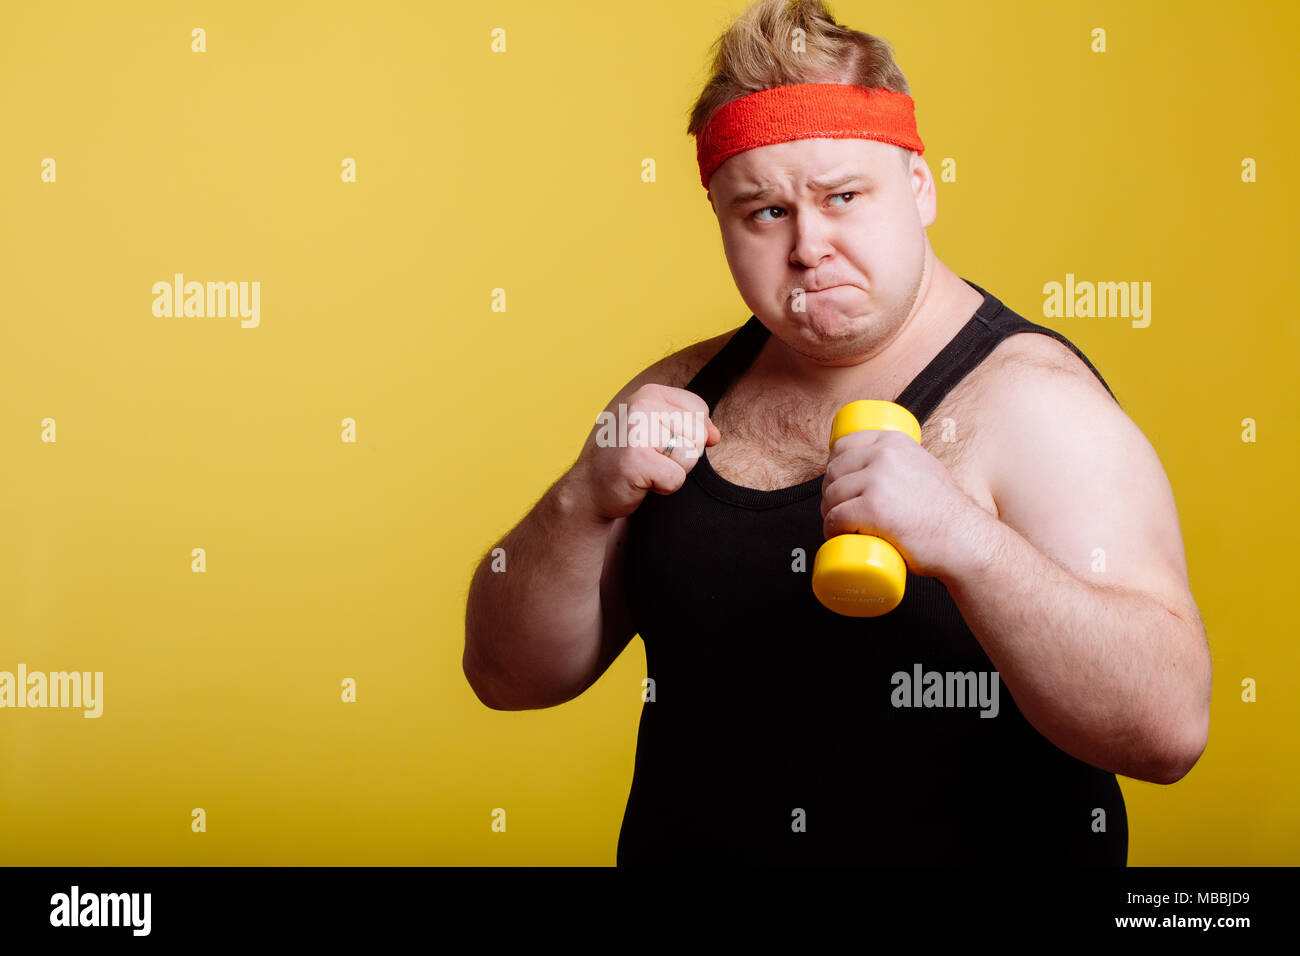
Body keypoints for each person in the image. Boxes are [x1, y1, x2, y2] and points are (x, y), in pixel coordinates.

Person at [463, 0, 1211, 866]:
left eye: (843, 195)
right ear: (722, 222)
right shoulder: (676, 393)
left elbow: (1168, 731)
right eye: (765, 213)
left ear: (921, 188)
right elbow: (505, 677)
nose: (810, 244)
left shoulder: (1036, 404)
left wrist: (964, 541)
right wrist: (580, 498)